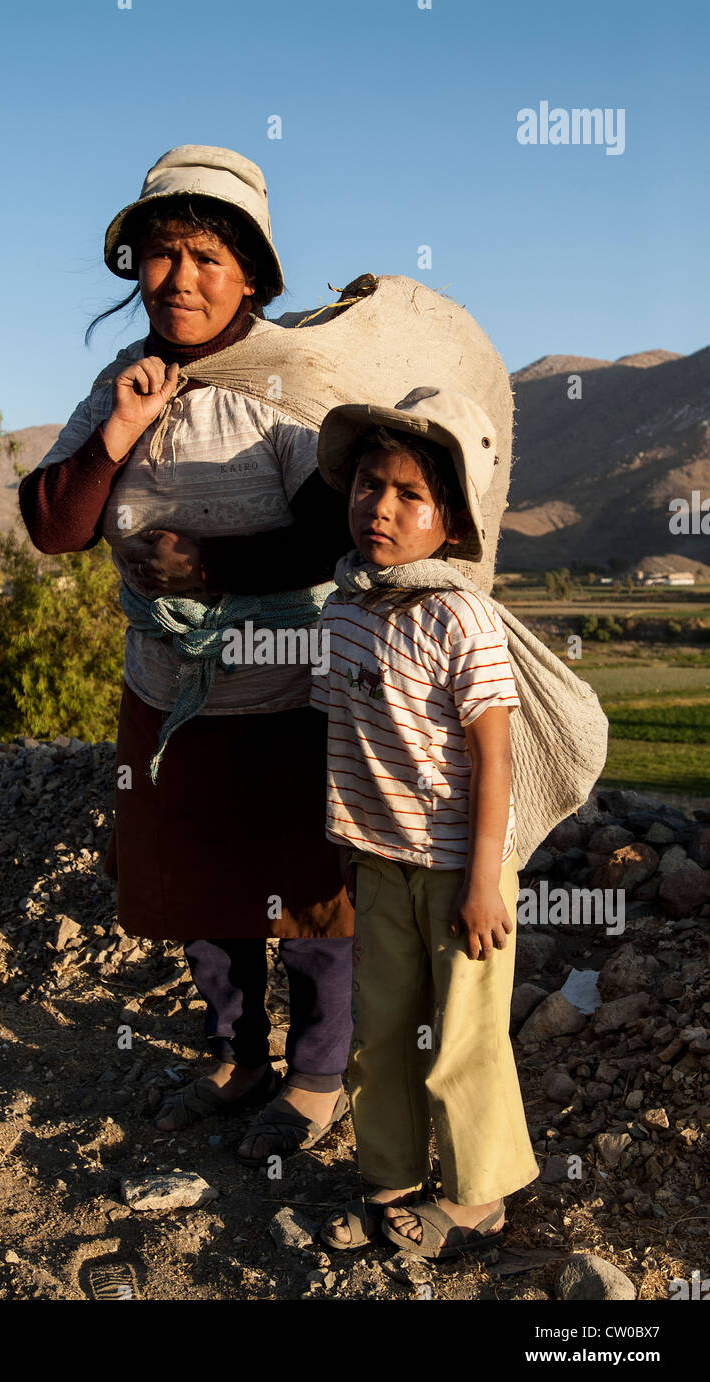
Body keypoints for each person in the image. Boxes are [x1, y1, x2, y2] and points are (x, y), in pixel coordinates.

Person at [18, 145, 355, 1163]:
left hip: (291, 690)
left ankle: (315, 1080)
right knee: (201, 893)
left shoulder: (289, 382)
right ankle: (233, 1054)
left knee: (304, 895)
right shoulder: (122, 383)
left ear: (250, 272)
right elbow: (54, 525)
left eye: (205, 255)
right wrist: (119, 426)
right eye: (162, 255)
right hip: (166, 694)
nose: (180, 279)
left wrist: (210, 560)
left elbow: (331, 530)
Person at [308, 387, 540, 1257]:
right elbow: (340, 735)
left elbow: (494, 758)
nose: (383, 508)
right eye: (370, 485)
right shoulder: (344, 609)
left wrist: (483, 881)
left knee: (465, 1038)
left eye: (412, 495)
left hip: (460, 869)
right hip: (379, 859)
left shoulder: (460, 617)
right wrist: (343, 843)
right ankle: (391, 1179)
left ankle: (479, 1201)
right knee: (378, 1031)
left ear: (450, 521)